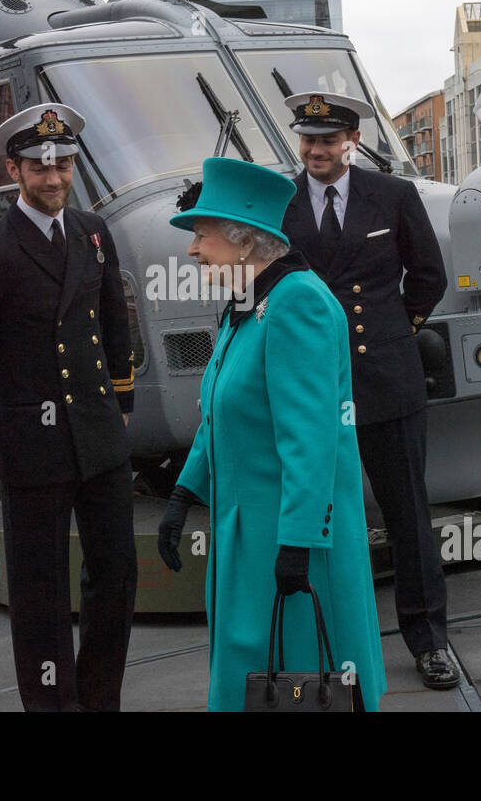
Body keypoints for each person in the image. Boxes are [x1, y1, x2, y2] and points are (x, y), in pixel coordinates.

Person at [158, 156, 387, 712]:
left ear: (245, 242)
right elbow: (221, 413)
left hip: (290, 539)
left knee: (299, 682)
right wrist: (184, 493)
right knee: (256, 674)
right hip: (246, 535)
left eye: (203, 235)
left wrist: (297, 545)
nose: (192, 250)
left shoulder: (297, 304)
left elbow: (311, 439)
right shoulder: (245, 306)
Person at [0, 102, 137, 711]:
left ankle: (100, 699)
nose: (54, 180)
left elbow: (114, 321)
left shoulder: (94, 233)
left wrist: (121, 397)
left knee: (116, 575)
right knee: (42, 592)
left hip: (99, 439)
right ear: (14, 170)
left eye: (64, 165)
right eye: (40, 168)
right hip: (36, 447)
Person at [277, 91, 455, 689]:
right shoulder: (281, 202)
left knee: (407, 515)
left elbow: (429, 275)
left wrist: (391, 331)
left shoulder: (394, 196)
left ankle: (430, 641)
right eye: (308, 139)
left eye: (327, 140)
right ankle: (320, 641)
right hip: (309, 384)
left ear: (350, 142)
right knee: (311, 513)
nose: (316, 150)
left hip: (383, 378)